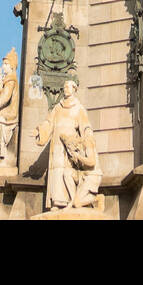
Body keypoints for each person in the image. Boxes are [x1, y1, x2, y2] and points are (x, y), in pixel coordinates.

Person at [34, 78, 103, 210]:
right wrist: (39, 131)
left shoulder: (78, 108)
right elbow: (48, 123)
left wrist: (88, 136)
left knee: (64, 171)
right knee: (56, 172)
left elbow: (85, 126)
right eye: (64, 87)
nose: (65, 89)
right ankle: (56, 202)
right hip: (56, 145)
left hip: (68, 146)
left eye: (68, 87)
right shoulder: (57, 108)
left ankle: (65, 201)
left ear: (74, 89)